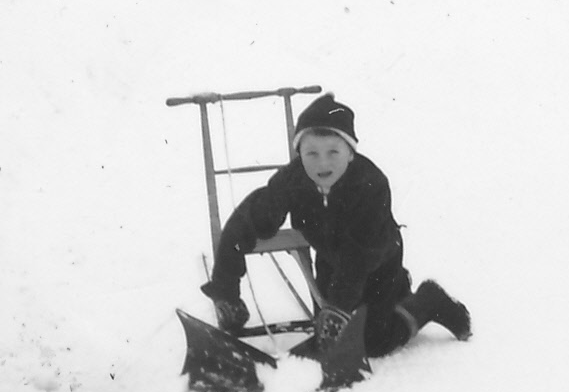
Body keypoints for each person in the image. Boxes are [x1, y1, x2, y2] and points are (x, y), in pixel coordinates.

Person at [200, 93, 470, 357]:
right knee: (327, 338)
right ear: (299, 154)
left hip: (378, 262)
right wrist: (226, 288)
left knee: (371, 343)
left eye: (333, 151)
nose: (323, 162)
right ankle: (394, 294)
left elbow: (359, 255)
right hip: (331, 260)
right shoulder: (292, 180)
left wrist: (338, 309)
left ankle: (427, 300)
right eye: (312, 153)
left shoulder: (371, 185)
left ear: (351, 153)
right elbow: (246, 222)